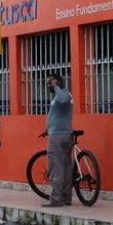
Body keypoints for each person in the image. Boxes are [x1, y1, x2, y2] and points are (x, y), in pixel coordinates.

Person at [43, 73, 74, 207]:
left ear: (56, 82)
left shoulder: (63, 94)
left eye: (49, 83)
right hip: (60, 134)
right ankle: (66, 197)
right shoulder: (59, 95)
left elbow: (63, 100)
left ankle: (56, 199)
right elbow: (54, 115)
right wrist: (47, 128)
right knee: (66, 167)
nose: (48, 86)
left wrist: (55, 86)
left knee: (56, 167)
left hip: (58, 136)